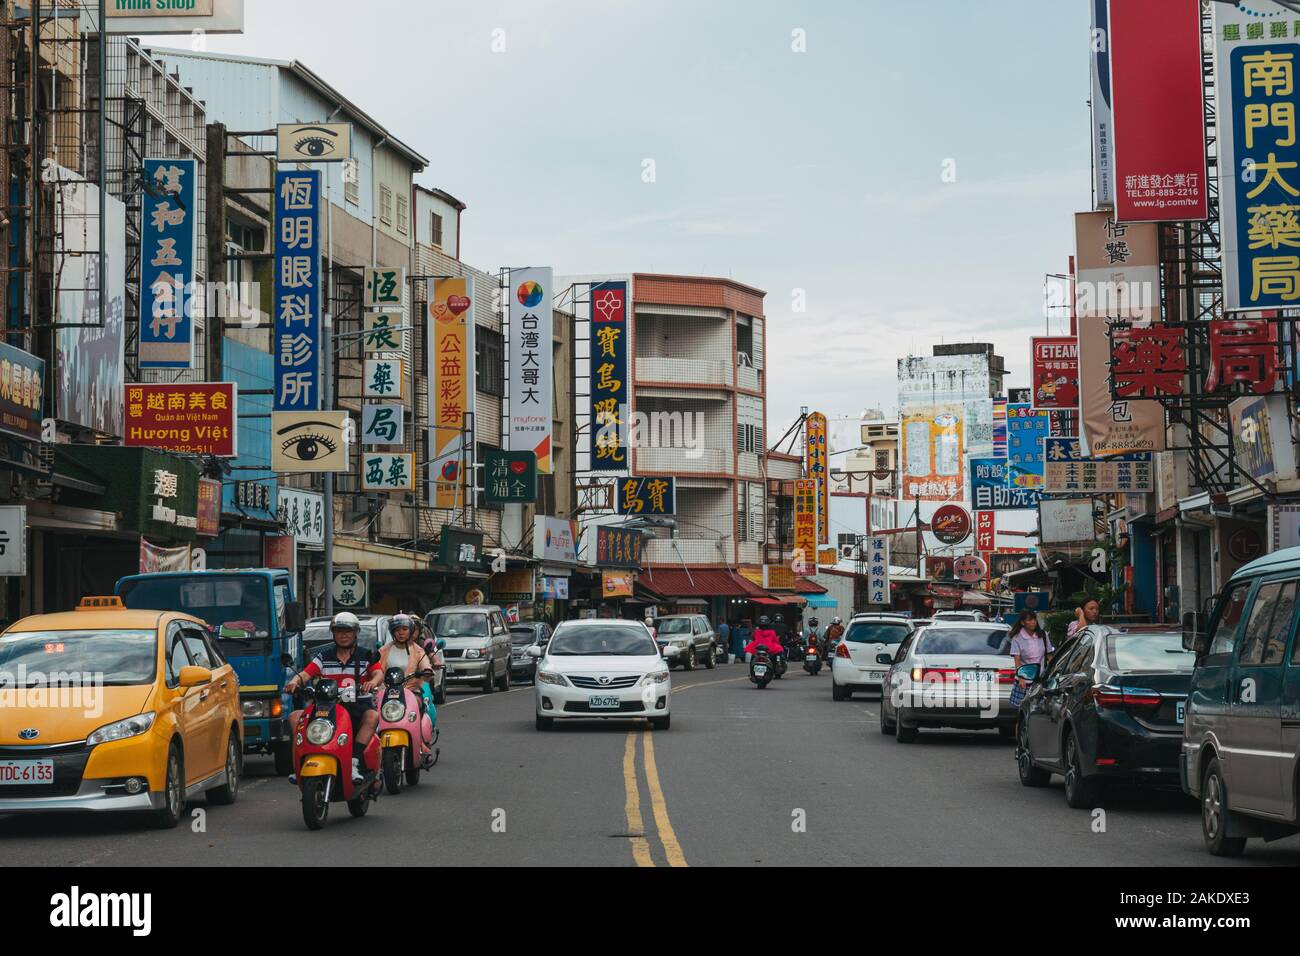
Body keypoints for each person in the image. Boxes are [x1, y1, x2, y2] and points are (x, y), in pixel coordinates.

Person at [285, 611, 383, 783]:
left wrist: (372, 682)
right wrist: (294, 682)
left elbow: (378, 673)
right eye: (338, 631)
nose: (343, 635)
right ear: (333, 633)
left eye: (348, 631)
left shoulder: (365, 655)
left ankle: (354, 762)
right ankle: (299, 764)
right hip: (326, 707)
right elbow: (306, 674)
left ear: (355, 633)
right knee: (294, 717)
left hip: (357, 706)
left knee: (372, 716)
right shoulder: (324, 656)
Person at [379, 613, 436, 754]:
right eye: (397, 629)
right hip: (386, 691)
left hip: (410, 690)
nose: (401, 633)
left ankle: (420, 742)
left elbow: (425, 664)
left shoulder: (418, 650)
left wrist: (426, 671)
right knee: (375, 710)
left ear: (410, 631)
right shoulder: (384, 650)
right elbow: (377, 669)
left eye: (404, 629)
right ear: (393, 632)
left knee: (417, 706)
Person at [1006, 610, 1053, 694]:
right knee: (1024, 706)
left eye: (1034, 619)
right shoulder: (1017, 638)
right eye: (1029, 620)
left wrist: (1053, 672)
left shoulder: (1043, 635)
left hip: (1041, 680)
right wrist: (1021, 679)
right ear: (1023, 623)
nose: (1033, 622)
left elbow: (1049, 655)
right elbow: (1017, 661)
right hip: (1025, 680)